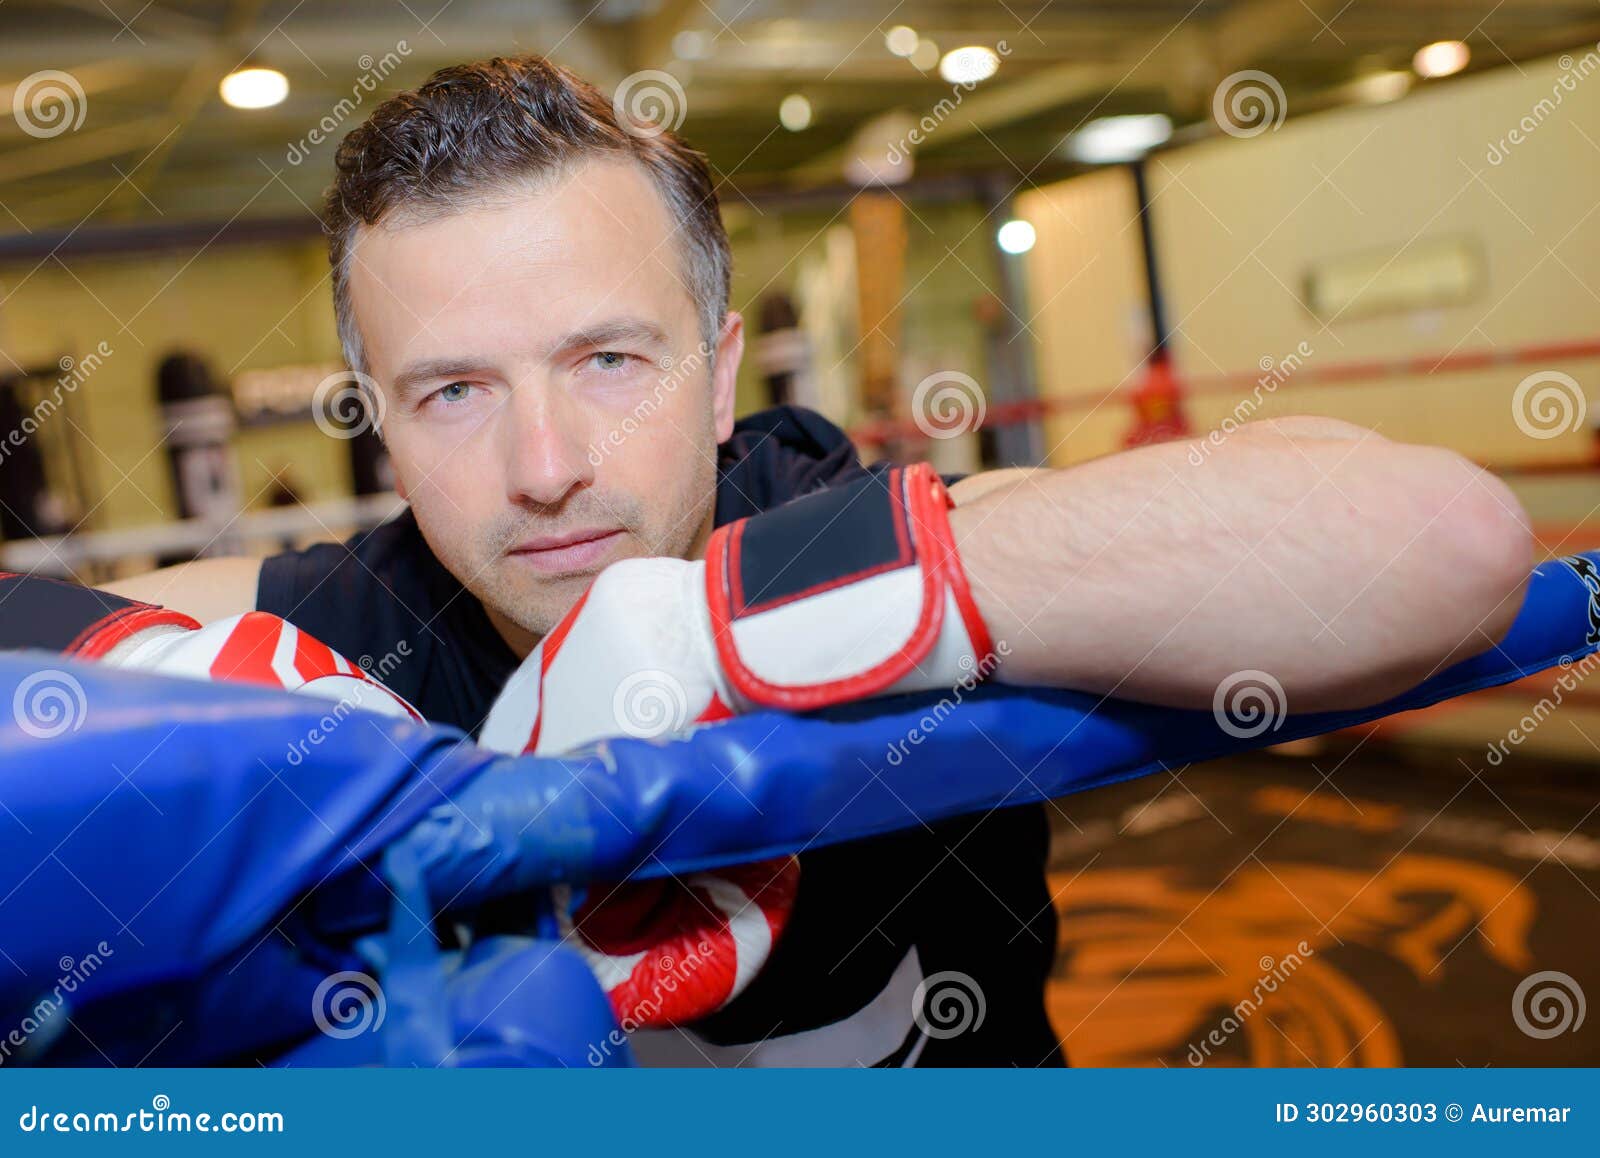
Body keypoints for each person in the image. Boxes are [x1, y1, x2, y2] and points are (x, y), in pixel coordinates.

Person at [106, 56, 1533, 1066]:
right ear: (384, 426)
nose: (543, 465)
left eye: (610, 360)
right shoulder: (370, 619)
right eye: (454, 392)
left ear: (720, 375)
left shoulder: (830, 508)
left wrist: (720, 631)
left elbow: (1444, 543)